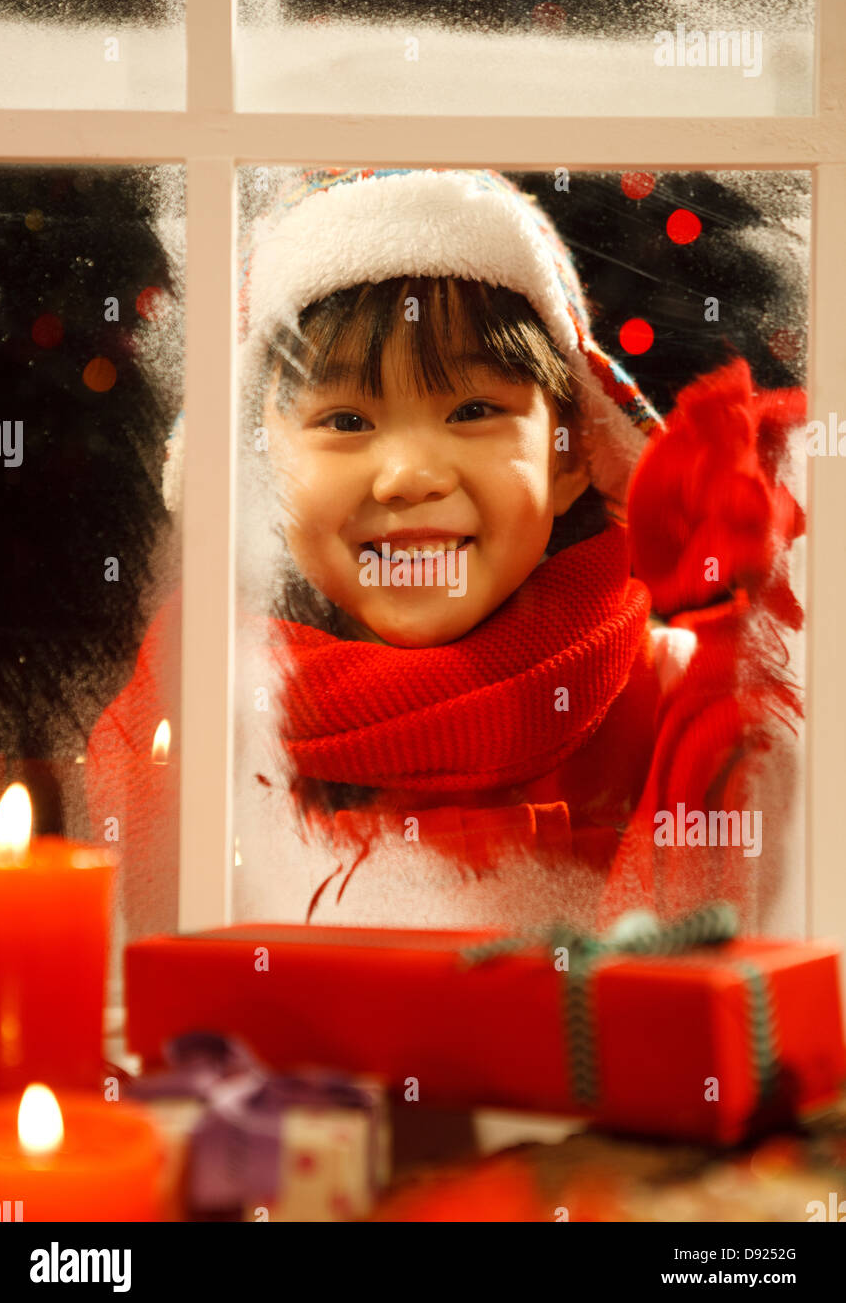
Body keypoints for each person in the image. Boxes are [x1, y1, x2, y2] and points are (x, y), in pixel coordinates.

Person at [85, 167, 805, 936]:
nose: (409, 477)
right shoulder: (196, 712)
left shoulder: (676, 703)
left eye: (472, 410)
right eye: (346, 422)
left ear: (570, 459)